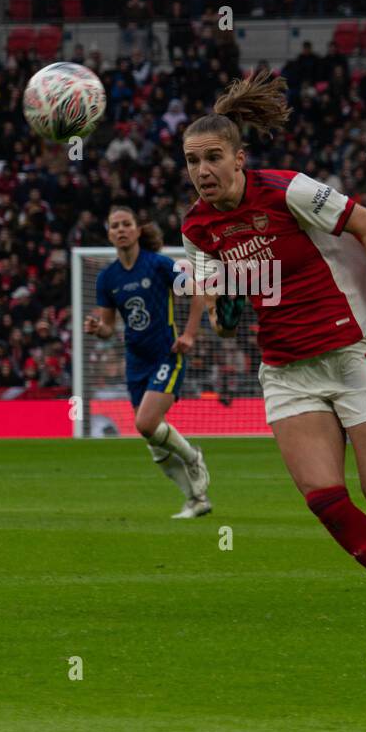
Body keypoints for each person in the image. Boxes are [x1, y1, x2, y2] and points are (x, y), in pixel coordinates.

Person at [180, 69, 366, 633]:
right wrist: (222, 313)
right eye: (191, 161)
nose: (202, 171)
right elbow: (215, 300)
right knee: (324, 497)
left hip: (350, 352)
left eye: (212, 157)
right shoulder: (195, 228)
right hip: (286, 371)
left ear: (239, 158)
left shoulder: (288, 189)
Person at [84, 206, 213, 519]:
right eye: (115, 226)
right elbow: (109, 328)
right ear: (109, 234)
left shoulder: (157, 265)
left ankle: (193, 457)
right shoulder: (107, 278)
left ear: (137, 230)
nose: (121, 230)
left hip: (166, 355)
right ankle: (196, 500)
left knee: (145, 423)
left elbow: (196, 292)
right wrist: (97, 329)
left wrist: (189, 335)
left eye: (127, 224)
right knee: (153, 440)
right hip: (135, 362)